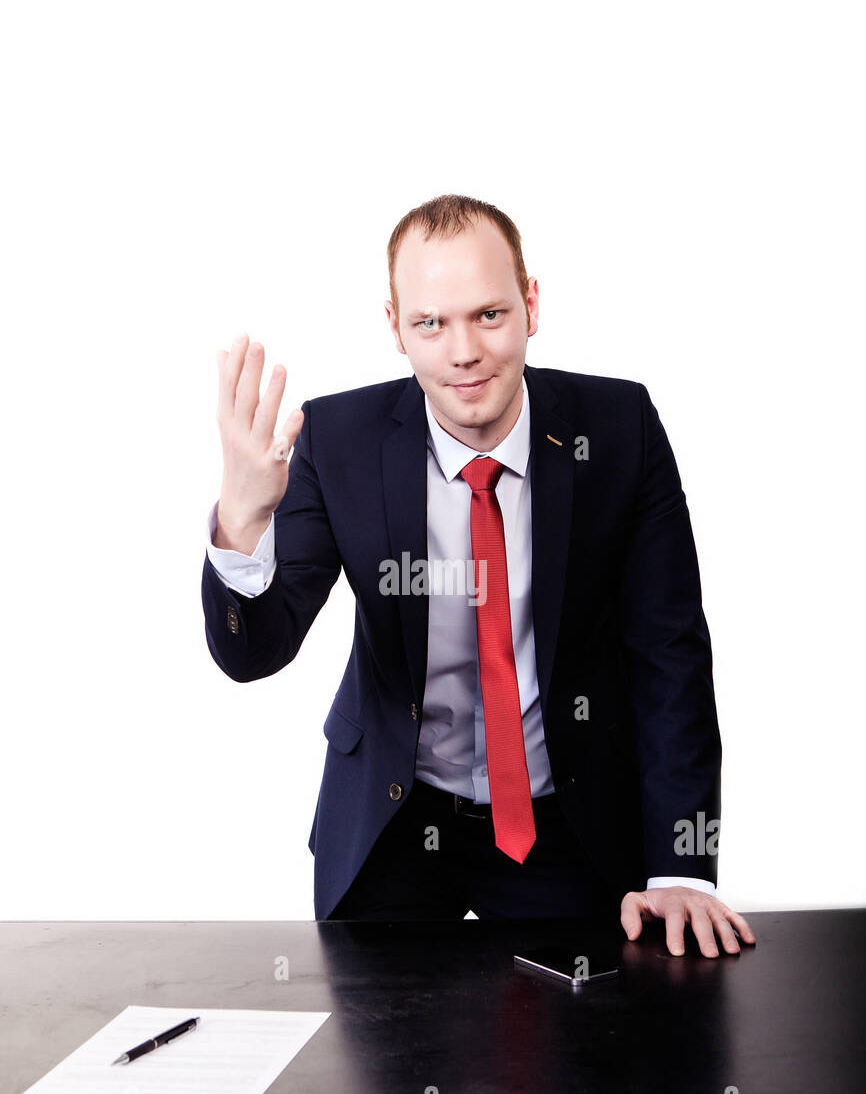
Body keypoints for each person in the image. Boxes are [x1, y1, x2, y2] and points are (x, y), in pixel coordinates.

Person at [201, 193, 756, 958]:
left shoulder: (618, 428)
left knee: (596, 1060)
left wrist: (684, 869)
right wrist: (241, 523)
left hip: (564, 819)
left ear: (531, 304)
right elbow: (252, 653)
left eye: (489, 314)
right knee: (374, 1066)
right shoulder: (338, 442)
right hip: (392, 821)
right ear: (395, 327)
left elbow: (670, 656)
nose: (463, 351)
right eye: (431, 322)